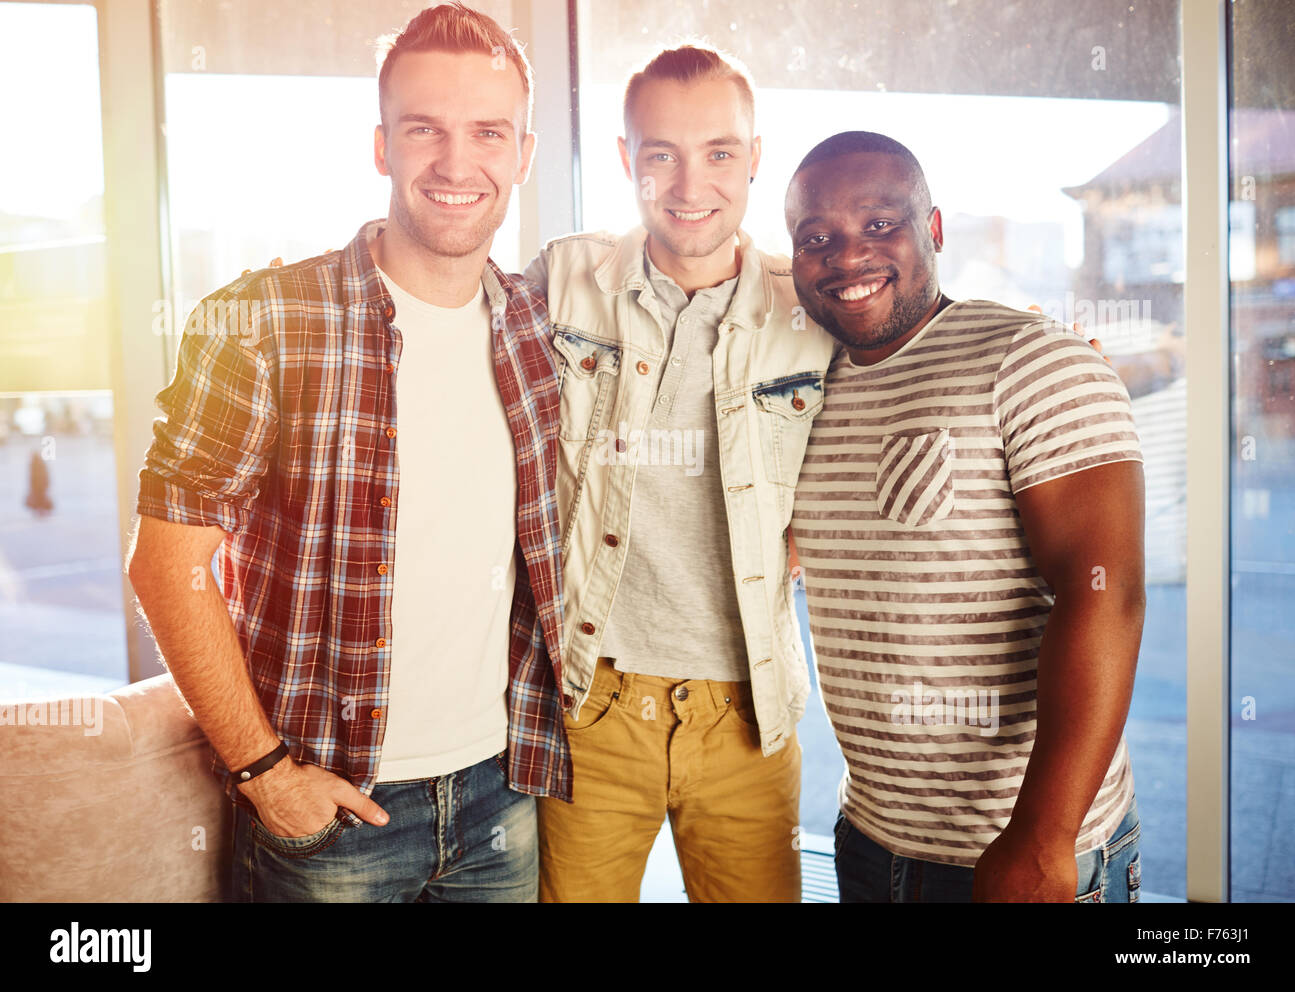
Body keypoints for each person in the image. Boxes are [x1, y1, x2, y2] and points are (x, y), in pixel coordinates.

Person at [125, 2, 568, 903]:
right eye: (423, 130)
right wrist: (265, 776)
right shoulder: (264, 321)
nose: (456, 162)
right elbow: (167, 565)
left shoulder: (540, 326)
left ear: (523, 154)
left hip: (501, 797)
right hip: (326, 813)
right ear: (381, 146)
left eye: (488, 132)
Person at [785, 131, 1147, 902]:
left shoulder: (1031, 360)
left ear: (935, 230)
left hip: (1026, 850)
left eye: (880, 224)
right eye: (816, 238)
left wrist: (1041, 839)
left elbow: (1106, 595)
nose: (848, 257)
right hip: (869, 838)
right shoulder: (803, 390)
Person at [524, 44, 837, 902]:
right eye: (661, 154)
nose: (690, 184)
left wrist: (1037, 339)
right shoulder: (562, 283)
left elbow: (910, 381)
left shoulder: (810, 310)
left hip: (747, 713)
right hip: (591, 703)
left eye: (719, 153)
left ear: (755, 159)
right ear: (627, 160)